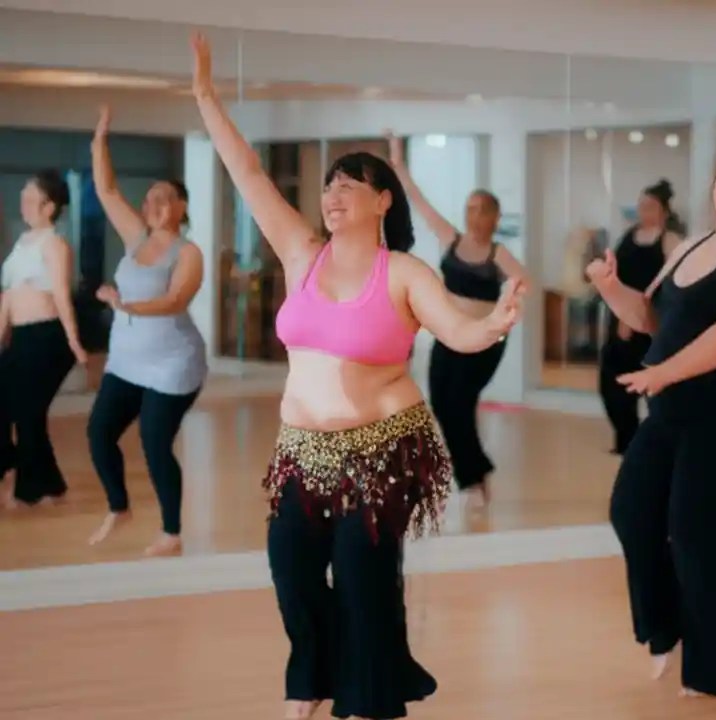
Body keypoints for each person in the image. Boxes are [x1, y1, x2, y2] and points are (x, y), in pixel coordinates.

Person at [189, 34, 523, 720]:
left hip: (382, 447)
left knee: (366, 581)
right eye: (327, 184)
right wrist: (205, 97)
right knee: (293, 571)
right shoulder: (299, 253)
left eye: (350, 184)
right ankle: (312, 678)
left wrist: (494, 324)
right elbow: (246, 171)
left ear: (382, 202)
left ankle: (366, 701)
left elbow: (457, 330)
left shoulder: (402, 272)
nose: (332, 194)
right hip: (300, 450)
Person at [588, 144, 716, 698]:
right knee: (632, 510)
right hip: (675, 402)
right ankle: (666, 628)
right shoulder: (694, 246)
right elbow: (651, 317)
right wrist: (609, 288)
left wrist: (662, 374)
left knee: (696, 535)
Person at [84, 104, 208, 557]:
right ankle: (119, 507)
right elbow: (106, 186)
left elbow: (176, 301)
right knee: (99, 433)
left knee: (155, 441)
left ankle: (172, 532)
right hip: (128, 360)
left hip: (174, 363)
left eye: (164, 198)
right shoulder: (136, 237)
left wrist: (123, 303)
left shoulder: (188, 253)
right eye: (149, 197)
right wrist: (100, 142)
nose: (152, 203)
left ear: (181, 207)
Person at [386, 133, 528, 509]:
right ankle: (475, 471)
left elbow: (522, 284)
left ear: (495, 217)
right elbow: (419, 202)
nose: (474, 215)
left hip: (482, 343)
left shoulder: (499, 254)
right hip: (448, 338)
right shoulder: (451, 239)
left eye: (482, 209)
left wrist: (509, 310)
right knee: (442, 404)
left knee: (461, 405)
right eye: (470, 207)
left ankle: (474, 480)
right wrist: (398, 162)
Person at [0, 169, 88, 509]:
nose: (22, 206)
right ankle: (46, 481)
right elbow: (7, 296)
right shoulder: (21, 243)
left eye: (30, 199)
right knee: (10, 403)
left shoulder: (56, 244)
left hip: (48, 338)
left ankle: (32, 489)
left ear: (49, 207)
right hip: (21, 338)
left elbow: (63, 296)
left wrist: (75, 342)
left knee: (29, 412)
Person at [599, 179, 681, 454]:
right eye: (641, 206)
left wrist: (638, 314)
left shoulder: (670, 241)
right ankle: (628, 439)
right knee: (612, 384)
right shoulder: (628, 236)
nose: (644, 212)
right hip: (620, 322)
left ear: (664, 211)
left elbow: (669, 284)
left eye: (650, 206)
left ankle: (659, 444)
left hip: (650, 324)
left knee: (654, 388)